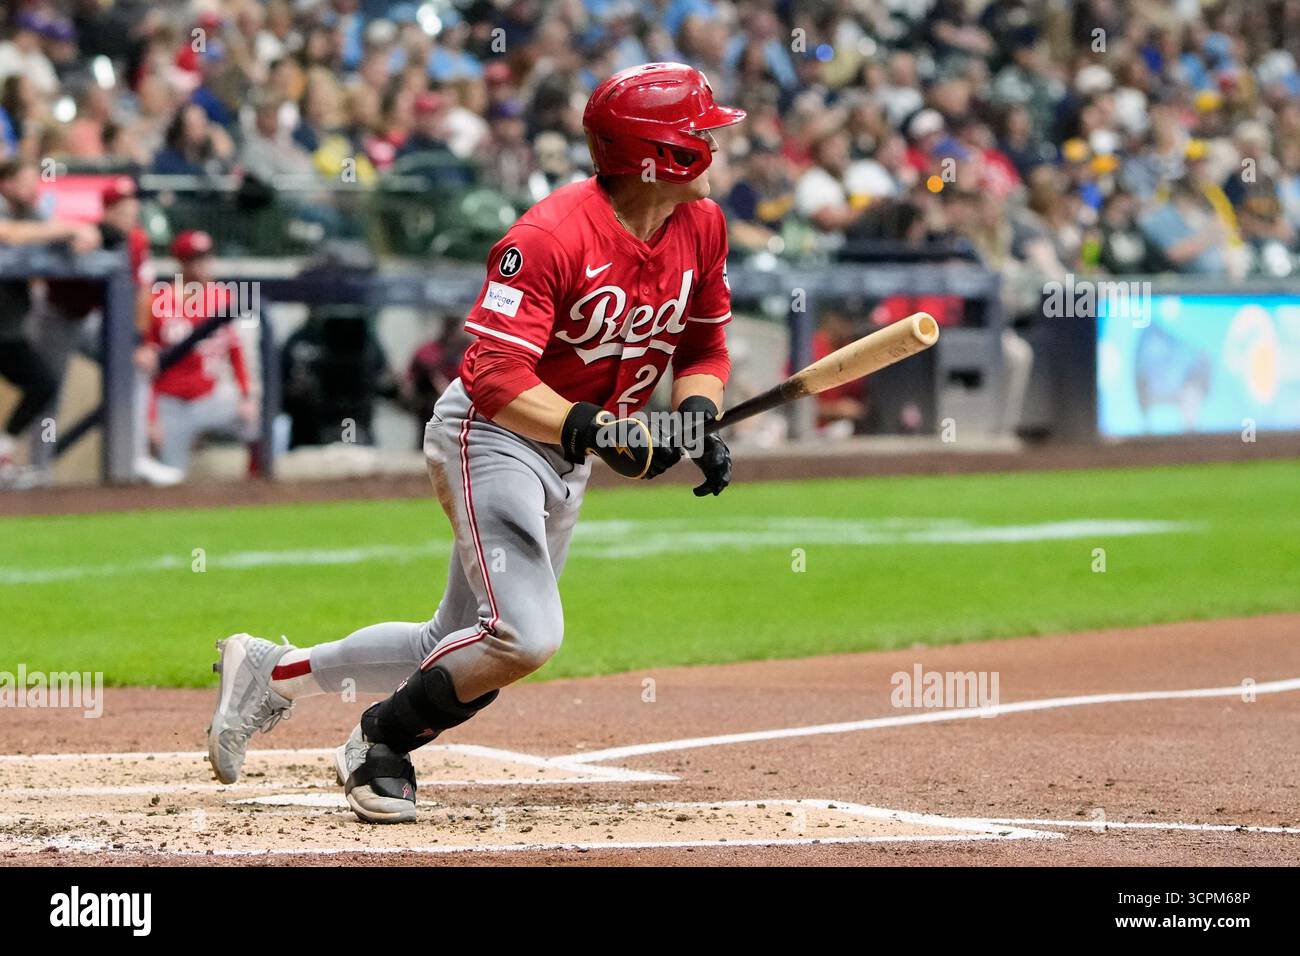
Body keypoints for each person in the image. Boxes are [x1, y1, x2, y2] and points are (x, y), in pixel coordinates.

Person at [206, 63, 740, 824]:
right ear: (660, 155)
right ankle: (380, 742)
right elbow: (492, 374)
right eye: (700, 134)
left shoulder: (701, 225)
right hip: (492, 435)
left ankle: (272, 671)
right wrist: (597, 428)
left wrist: (698, 417)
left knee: (459, 638)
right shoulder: (550, 235)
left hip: (565, 452)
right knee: (524, 636)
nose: (714, 145)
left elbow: (704, 347)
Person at [0, 158, 99, 483]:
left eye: (35, 183)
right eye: (26, 183)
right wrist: (72, 228)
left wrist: (82, 233)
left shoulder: (31, 213)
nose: (33, 190)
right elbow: (12, 234)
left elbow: (55, 228)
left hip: (8, 331)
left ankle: (3, 449)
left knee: (42, 384)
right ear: (6, 184)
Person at [137, 231, 258, 478]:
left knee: (268, 425)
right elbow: (146, 369)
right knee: (170, 477)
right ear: (180, 262)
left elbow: (236, 353)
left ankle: (258, 487)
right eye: (192, 258)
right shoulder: (157, 300)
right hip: (169, 404)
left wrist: (246, 396)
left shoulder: (224, 297)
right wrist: (150, 418)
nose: (201, 264)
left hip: (210, 398)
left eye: (205, 257)